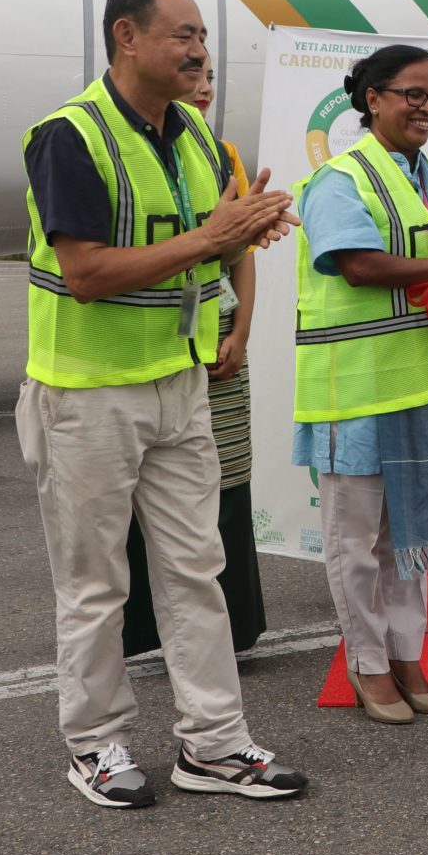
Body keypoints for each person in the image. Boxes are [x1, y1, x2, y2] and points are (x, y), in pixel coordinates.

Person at [18, 0, 308, 808]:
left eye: (202, 37)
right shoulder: (69, 137)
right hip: (86, 395)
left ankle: (213, 743)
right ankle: (96, 744)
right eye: (181, 34)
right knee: (95, 580)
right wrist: (211, 237)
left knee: (195, 567)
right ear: (126, 38)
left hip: (177, 386)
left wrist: (240, 235)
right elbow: (86, 273)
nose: (199, 51)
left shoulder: (196, 140)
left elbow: (201, 253)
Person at [293, 46, 428, 725]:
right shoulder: (339, 178)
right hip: (352, 391)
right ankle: (367, 662)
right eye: (411, 93)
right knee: (356, 539)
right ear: (371, 100)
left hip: (422, 387)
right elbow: (356, 264)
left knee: (409, 533)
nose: (425, 106)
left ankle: (407, 651)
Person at [121, 58, 266, 657]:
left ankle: (231, 630)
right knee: (148, 489)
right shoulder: (132, 151)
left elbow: (243, 256)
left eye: (211, 77)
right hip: (158, 342)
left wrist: (242, 332)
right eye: (194, 74)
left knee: (228, 478)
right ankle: (147, 631)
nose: (203, 86)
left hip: (217, 332)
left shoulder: (221, 155)